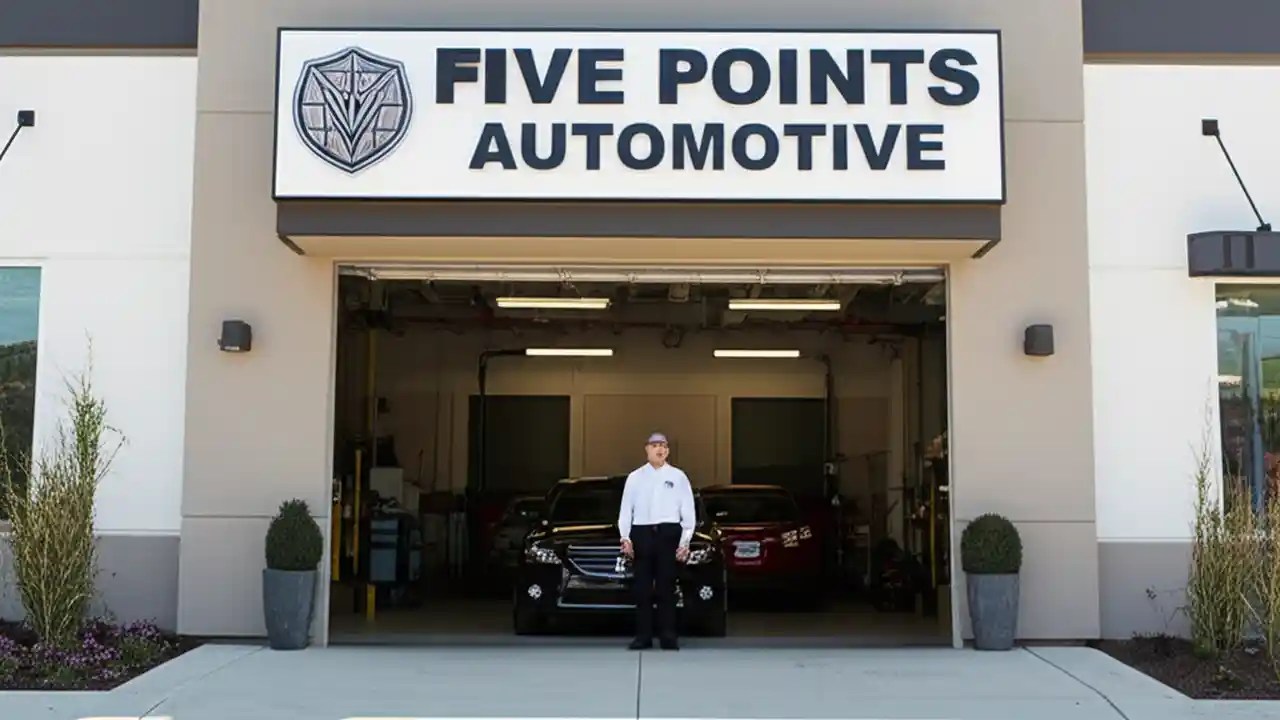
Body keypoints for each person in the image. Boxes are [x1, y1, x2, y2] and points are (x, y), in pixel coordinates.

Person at [618, 431, 696, 650]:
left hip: (668, 533)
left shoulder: (678, 477)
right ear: (647, 449)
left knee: (666, 587)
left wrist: (685, 542)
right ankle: (643, 636)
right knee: (642, 588)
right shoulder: (635, 477)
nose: (659, 449)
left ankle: (668, 635)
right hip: (642, 532)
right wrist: (625, 537)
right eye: (655, 445)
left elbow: (688, 511)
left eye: (663, 445)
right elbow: (626, 511)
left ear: (668, 450)